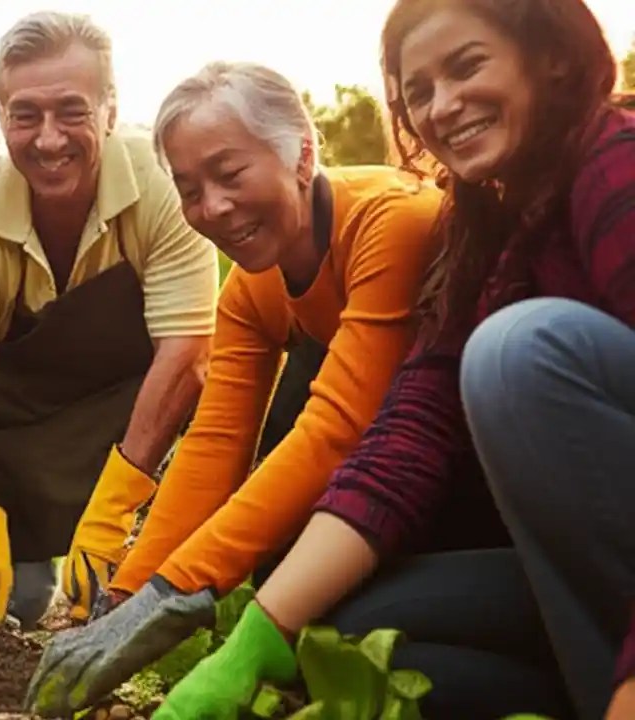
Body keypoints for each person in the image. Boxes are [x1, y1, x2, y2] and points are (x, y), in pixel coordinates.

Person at [154, 1, 635, 719]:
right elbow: (408, 437)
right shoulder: (489, 235)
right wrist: (259, 634)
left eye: (467, 66)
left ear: (552, 57)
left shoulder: (617, 164)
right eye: (419, 92)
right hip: (587, 577)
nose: (443, 106)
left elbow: (342, 425)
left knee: (518, 354)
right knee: (341, 636)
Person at [26, 61, 447, 717]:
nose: (212, 208)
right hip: (374, 492)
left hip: (463, 481)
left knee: (347, 637)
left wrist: (178, 592)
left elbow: (335, 428)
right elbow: (214, 444)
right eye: (190, 190)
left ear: (301, 153)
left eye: (230, 174)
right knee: (303, 615)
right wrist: (125, 598)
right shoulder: (254, 287)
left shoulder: (391, 221)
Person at [0, 10, 219, 633]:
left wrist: (115, 511)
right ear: (1, 117)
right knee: (11, 608)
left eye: (72, 112)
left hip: (141, 422)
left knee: (148, 606)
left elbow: (188, 354)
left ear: (110, 108)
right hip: (28, 439)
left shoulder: (161, 186)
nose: (49, 138)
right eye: (25, 115)